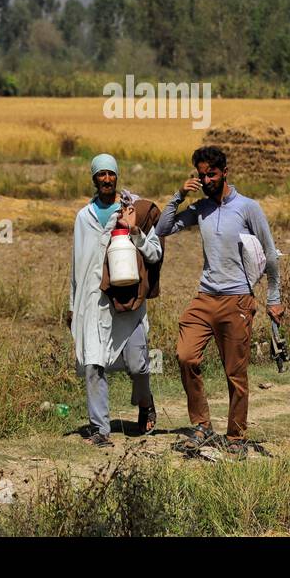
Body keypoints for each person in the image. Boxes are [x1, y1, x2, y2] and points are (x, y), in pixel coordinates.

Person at [155, 145, 282, 458]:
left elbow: (270, 253)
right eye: (201, 175)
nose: (206, 179)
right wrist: (177, 196)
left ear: (225, 172)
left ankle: (236, 436)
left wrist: (275, 297)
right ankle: (201, 426)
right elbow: (162, 228)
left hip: (237, 299)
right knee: (185, 356)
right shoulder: (200, 209)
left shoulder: (248, 207)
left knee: (235, 372)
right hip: (204, 296)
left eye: (211, 173)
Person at [67, 153, 163, 447]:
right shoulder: (83, 218)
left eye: (111, 174)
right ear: (94, 179)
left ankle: (145, 403)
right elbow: (77, 265)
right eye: (101, 174)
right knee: (94, 364)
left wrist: (135, 232)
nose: (107, 179)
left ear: (117, 177)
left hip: (127, 302)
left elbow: (155, 254)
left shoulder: (132, 210)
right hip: (94, 302)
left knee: (137, 364)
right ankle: (100, 429)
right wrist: (73, 305)